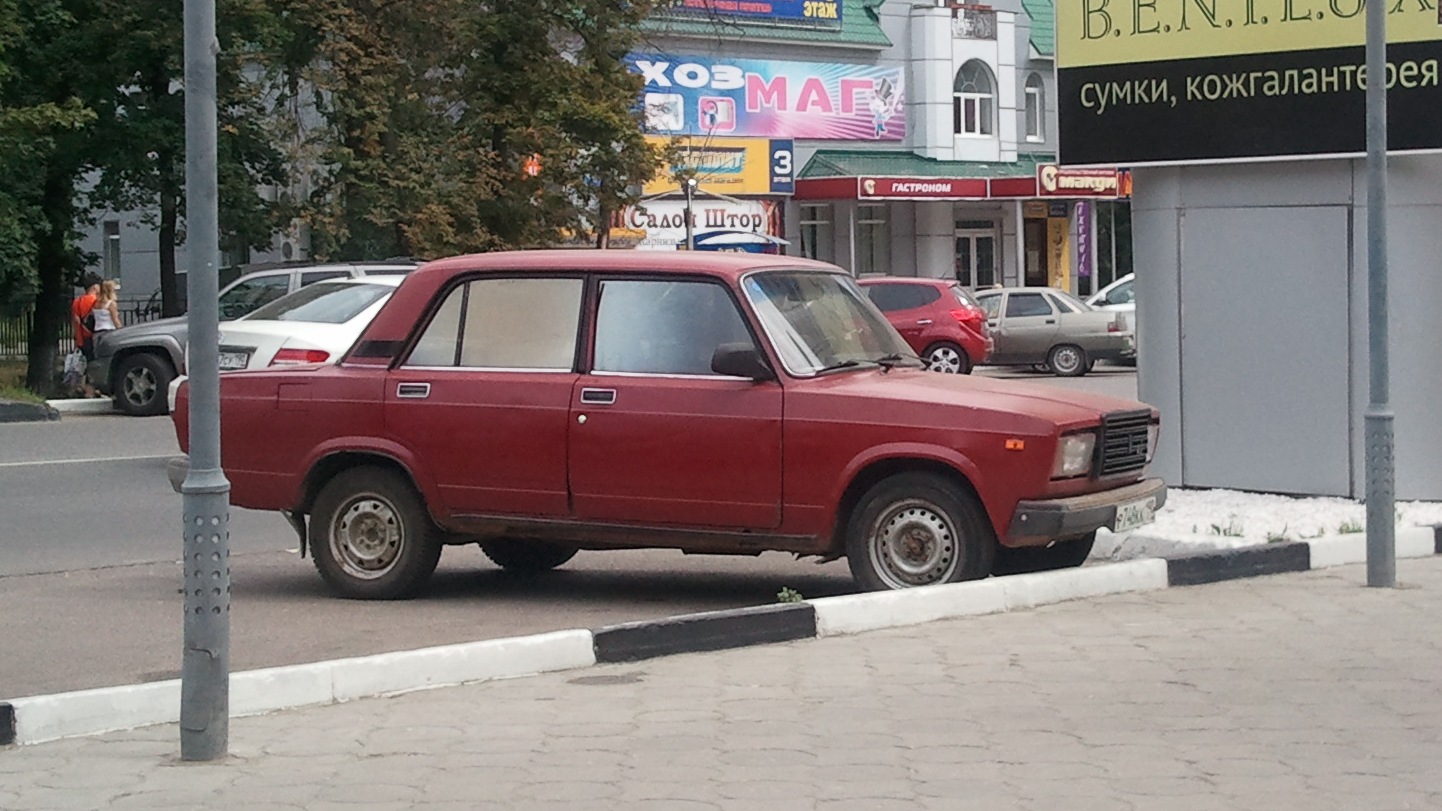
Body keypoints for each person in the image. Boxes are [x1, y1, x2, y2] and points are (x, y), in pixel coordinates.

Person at [70, 273, 103, 397]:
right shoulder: (96, 302)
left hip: (81, 338)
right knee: (93, 364)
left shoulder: (77, 302)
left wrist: (77, 339)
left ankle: (80, 386)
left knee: (85, 364)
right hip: (92, 337)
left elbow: (75, 321)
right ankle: (90, 390)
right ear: (94, 287)